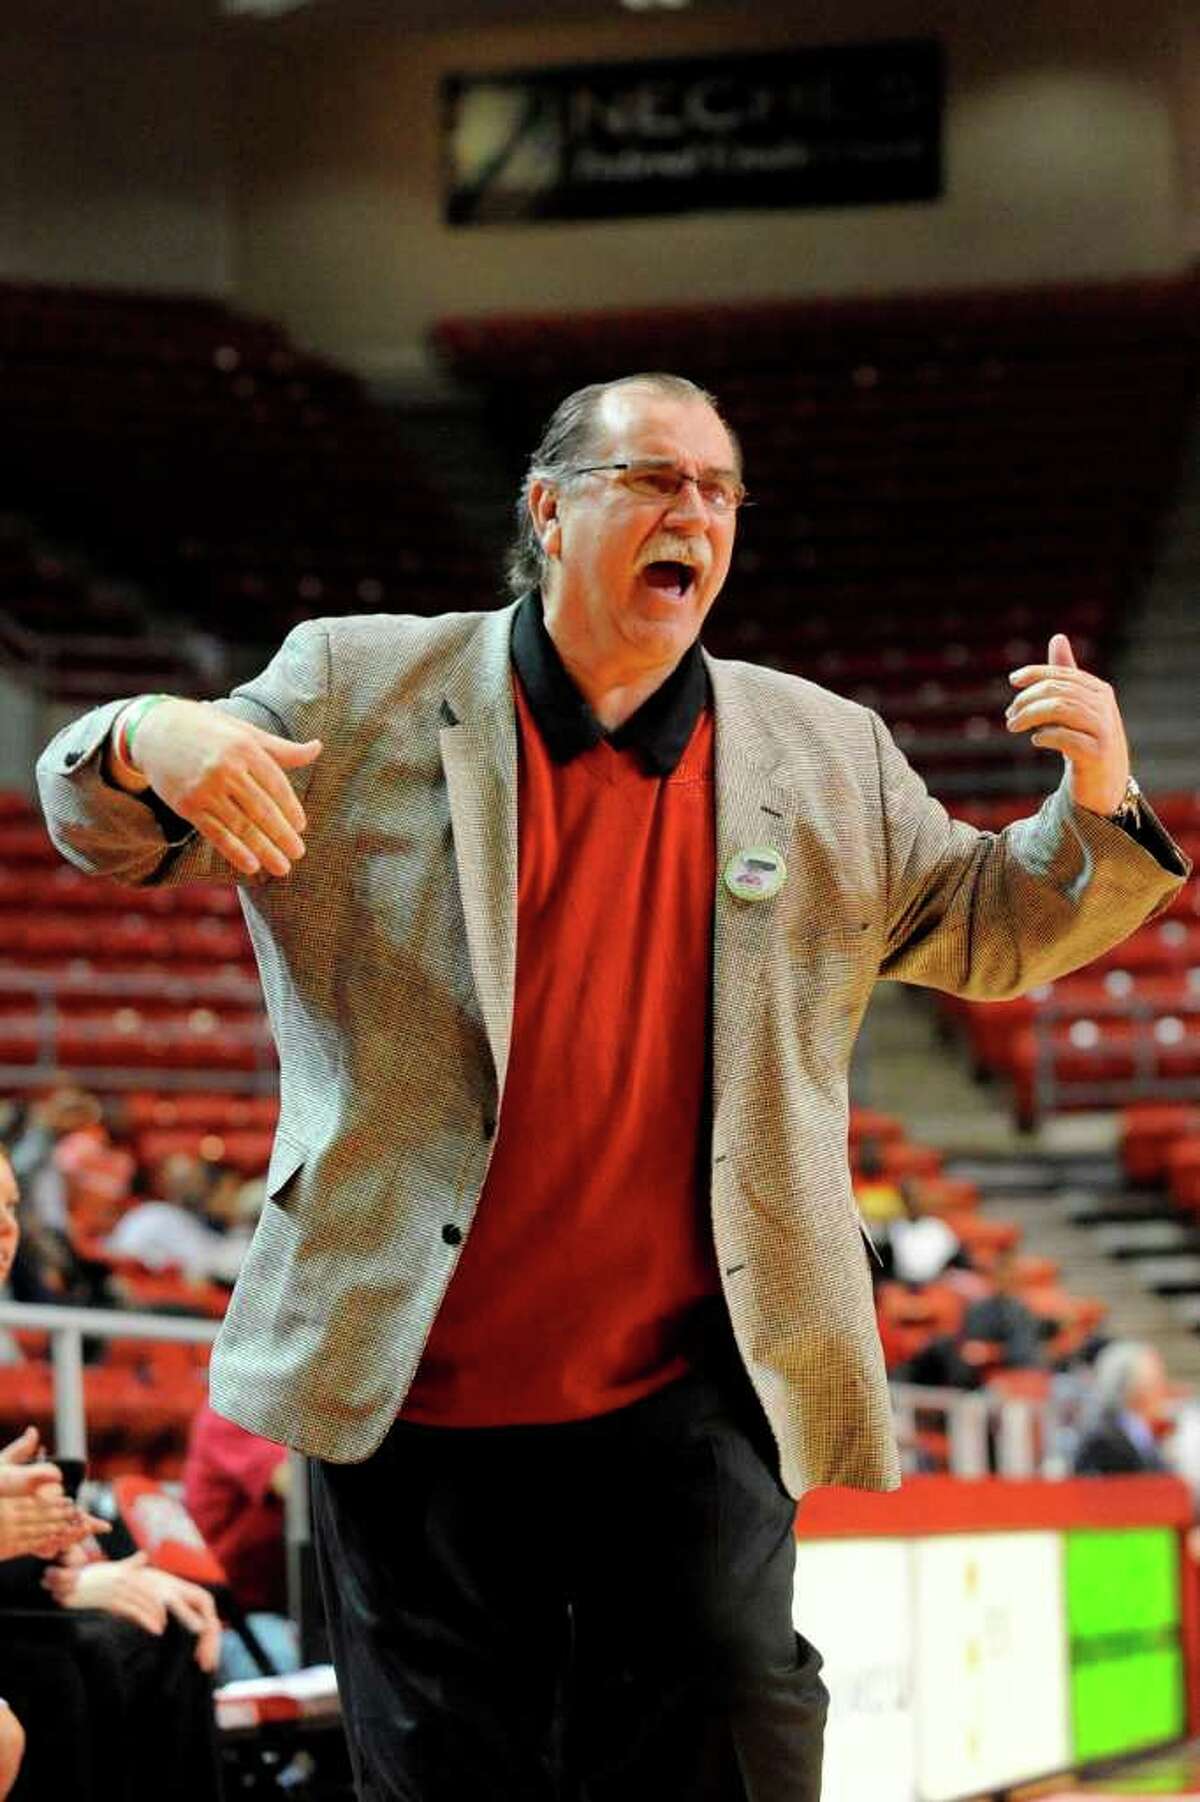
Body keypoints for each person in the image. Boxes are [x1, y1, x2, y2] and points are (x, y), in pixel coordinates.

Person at [36, 372, 1190, 1801]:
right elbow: (107, 825)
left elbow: (988, 922)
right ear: (548, 507)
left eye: (718, 492)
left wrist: (1095, 811)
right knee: (457, 1771)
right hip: (415, 1380)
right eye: (654, 479)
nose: (693, 512)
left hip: (689, 1377)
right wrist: (153, 731)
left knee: (738, 1724)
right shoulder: (358, 685)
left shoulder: (819, 748)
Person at [1072, 1340, 1173, 1475]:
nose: (1164, 1391)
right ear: (1135, 1388)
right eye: (1157, 1382)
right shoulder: (1103, 1443)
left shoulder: (1145, 1436)